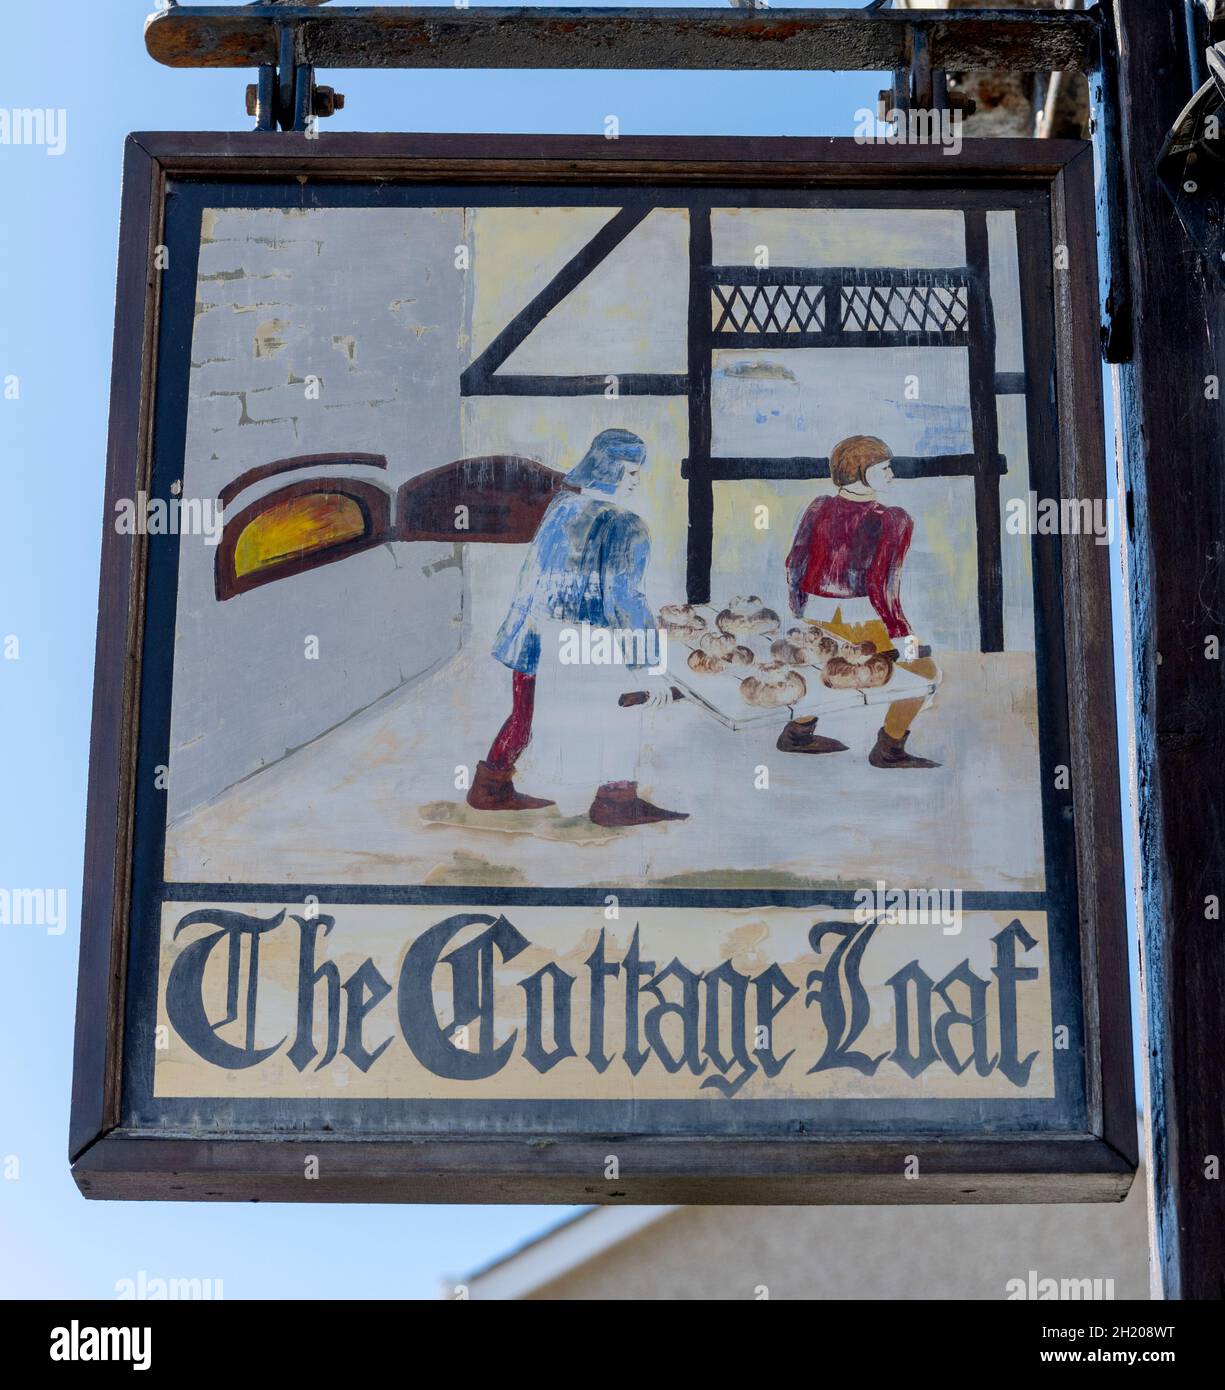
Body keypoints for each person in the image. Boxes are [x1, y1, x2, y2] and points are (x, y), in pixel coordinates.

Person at [468, 428, 687, 826]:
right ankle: (615, 803)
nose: (638, 481)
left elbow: (533, 578)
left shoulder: (561, 508)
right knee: (622, 716)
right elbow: (625, 599)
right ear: (609, 470)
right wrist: (647, 665)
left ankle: (489, 789)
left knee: (522, 715)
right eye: (632, 473)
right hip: (587, 646)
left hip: (535, 638)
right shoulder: (627, 524)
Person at [783, 434, 941, 769]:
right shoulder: (892, 519)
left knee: (822, 670)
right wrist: (901, 636)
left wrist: (800, 611)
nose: (891, 475)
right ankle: (889, 749)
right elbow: (883, 585)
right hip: (865, 620)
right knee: (924, 671)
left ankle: (797, 734)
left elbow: (794, 562)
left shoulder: (818, 506)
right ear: (860, 470)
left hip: (815, 616)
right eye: (884, 468)